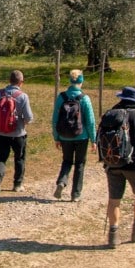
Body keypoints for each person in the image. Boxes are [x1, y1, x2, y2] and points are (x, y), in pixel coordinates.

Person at [99, 86, 135, 246]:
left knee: (114, 200)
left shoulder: (110, 115)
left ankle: (113, 235)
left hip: (112, 164)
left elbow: (100, 139)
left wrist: (104, 160)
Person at [52, 69, 96, 202]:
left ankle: (62, 181)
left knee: (66, 161)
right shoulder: (85, 99)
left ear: (70, 81)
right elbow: (90, 121)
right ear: (81, 81)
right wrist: (94, 139)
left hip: (65, 136)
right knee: (80, 164)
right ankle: (75, 194)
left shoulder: (61, 97)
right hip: (81, 136)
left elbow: (55, 119)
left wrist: (56, 137)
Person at [0, 70, 35, 195]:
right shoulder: (22, 96)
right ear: (21, 82)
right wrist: (25, 122)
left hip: (1, 132)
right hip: (18, 133)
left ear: (9, 80)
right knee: (19, 158)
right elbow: (28, 117)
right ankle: (17, 184)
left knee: (1, 157)